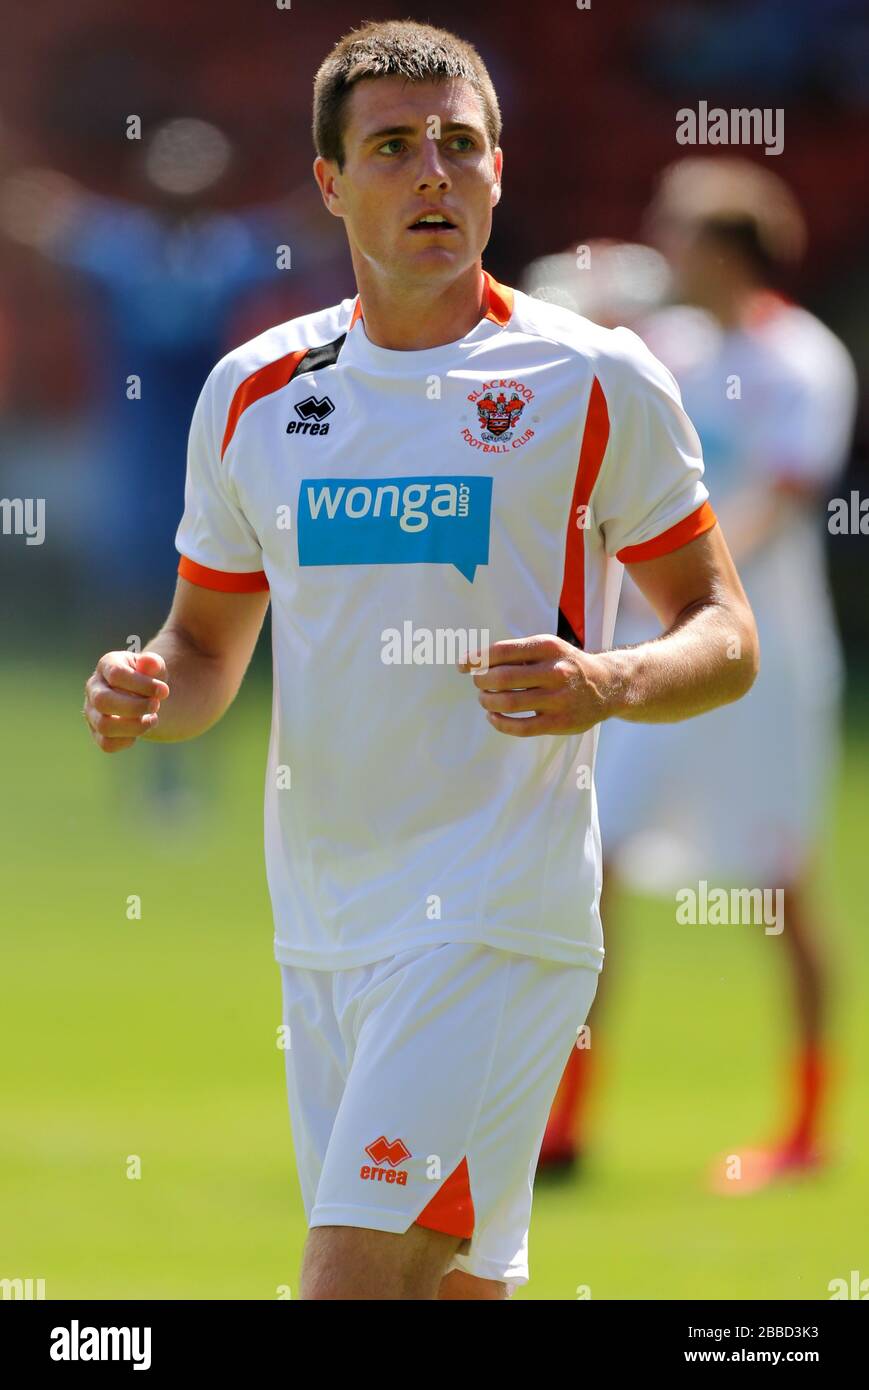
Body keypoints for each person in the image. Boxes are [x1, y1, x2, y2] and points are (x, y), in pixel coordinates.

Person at [82, 21, 758, 1299]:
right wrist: (148, 689)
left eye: (459, 144)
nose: (432, 172)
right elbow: (204, 645)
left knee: (348, 1281)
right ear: (331, 183)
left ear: (499, 169)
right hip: (324, 931)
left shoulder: (590, 377)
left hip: (495, 917)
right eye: (392, 147)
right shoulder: (254, 392)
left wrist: (606, 682)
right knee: (448, 1290)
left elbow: (724, 633)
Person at [540, 159, 857, 1192]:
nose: (660, 246)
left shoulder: (801, 361)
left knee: (778, 890)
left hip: (761, 667)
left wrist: (695, 587)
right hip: (653, 661)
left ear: (724, 249)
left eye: (675, 230)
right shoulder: (667, 347)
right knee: (589, 873)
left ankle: (804, 1128)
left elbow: (776, 502)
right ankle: (561, 1124)